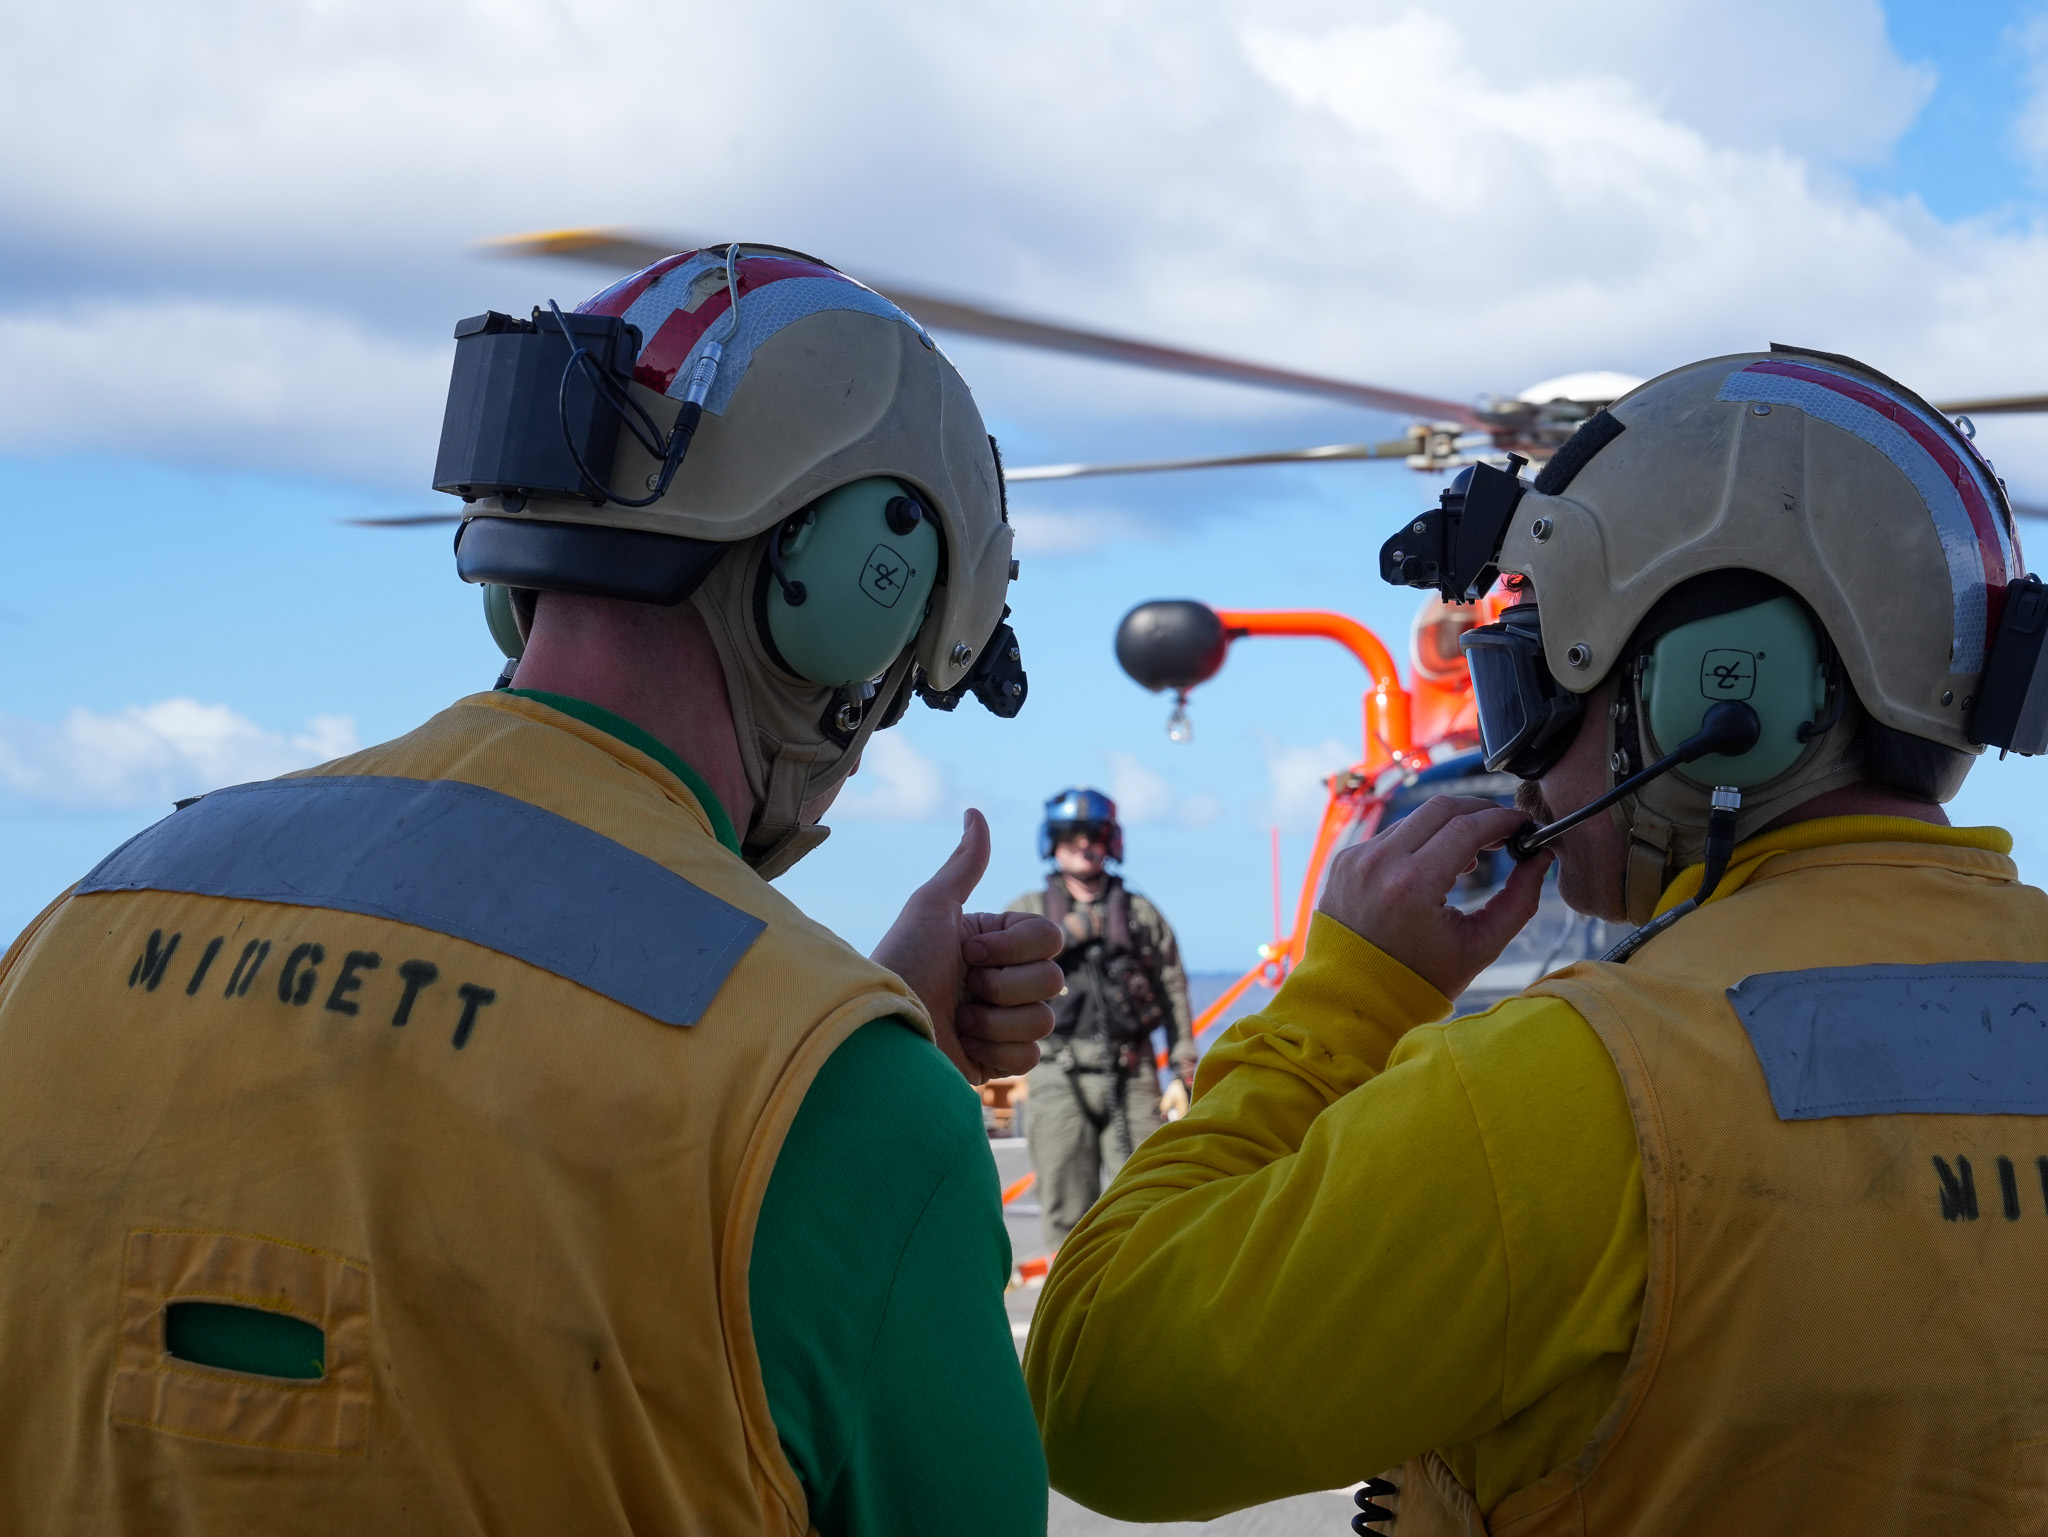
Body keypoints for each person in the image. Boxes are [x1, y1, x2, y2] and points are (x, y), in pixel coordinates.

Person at [0, 244, 1065, 1536]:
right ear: (848, 590)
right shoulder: (848, 1109)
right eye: (899, 676)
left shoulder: (73, 934)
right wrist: (862, 1069)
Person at [1025, 347, 2048, 1533]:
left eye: (1532, 688)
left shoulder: (1571, 1089)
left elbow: (1101, 1401)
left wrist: (1345, 999)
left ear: (1723, 696)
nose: (1517, 758)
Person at [1008, 787, 1196, 1250]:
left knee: (1148, 1198)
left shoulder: (1139, 914)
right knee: (1065, 1207)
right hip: (1056, 1072)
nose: (1082, 844)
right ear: (1051, 841)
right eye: (1069, 835)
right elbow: (1001, 970)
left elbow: (1172, 986)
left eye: (1093, 834)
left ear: (1110, 841)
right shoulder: (1029, 911)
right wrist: (1062, 936)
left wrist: (1183, 1070)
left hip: (1132, 1072)